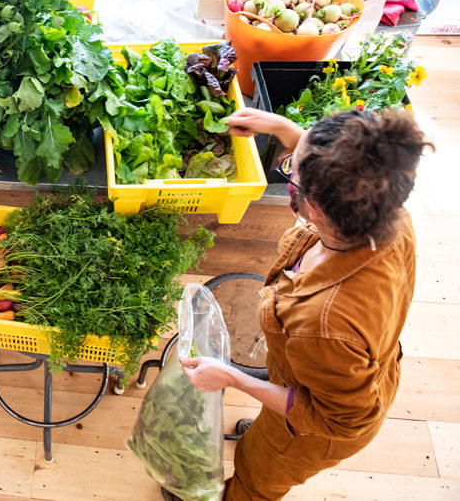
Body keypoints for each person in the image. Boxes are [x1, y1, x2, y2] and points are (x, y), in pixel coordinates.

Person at [178, 106, 433, 500]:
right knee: (264, 436)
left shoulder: (327, 324)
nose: (288, 166)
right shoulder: (385, 211)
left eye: (289, 169)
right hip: (328, 379)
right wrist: (285, 129)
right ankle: (268, 431)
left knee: (257, 476)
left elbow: (338, 420)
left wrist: (231, 378)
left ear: (313, 207)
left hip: (313, 429)